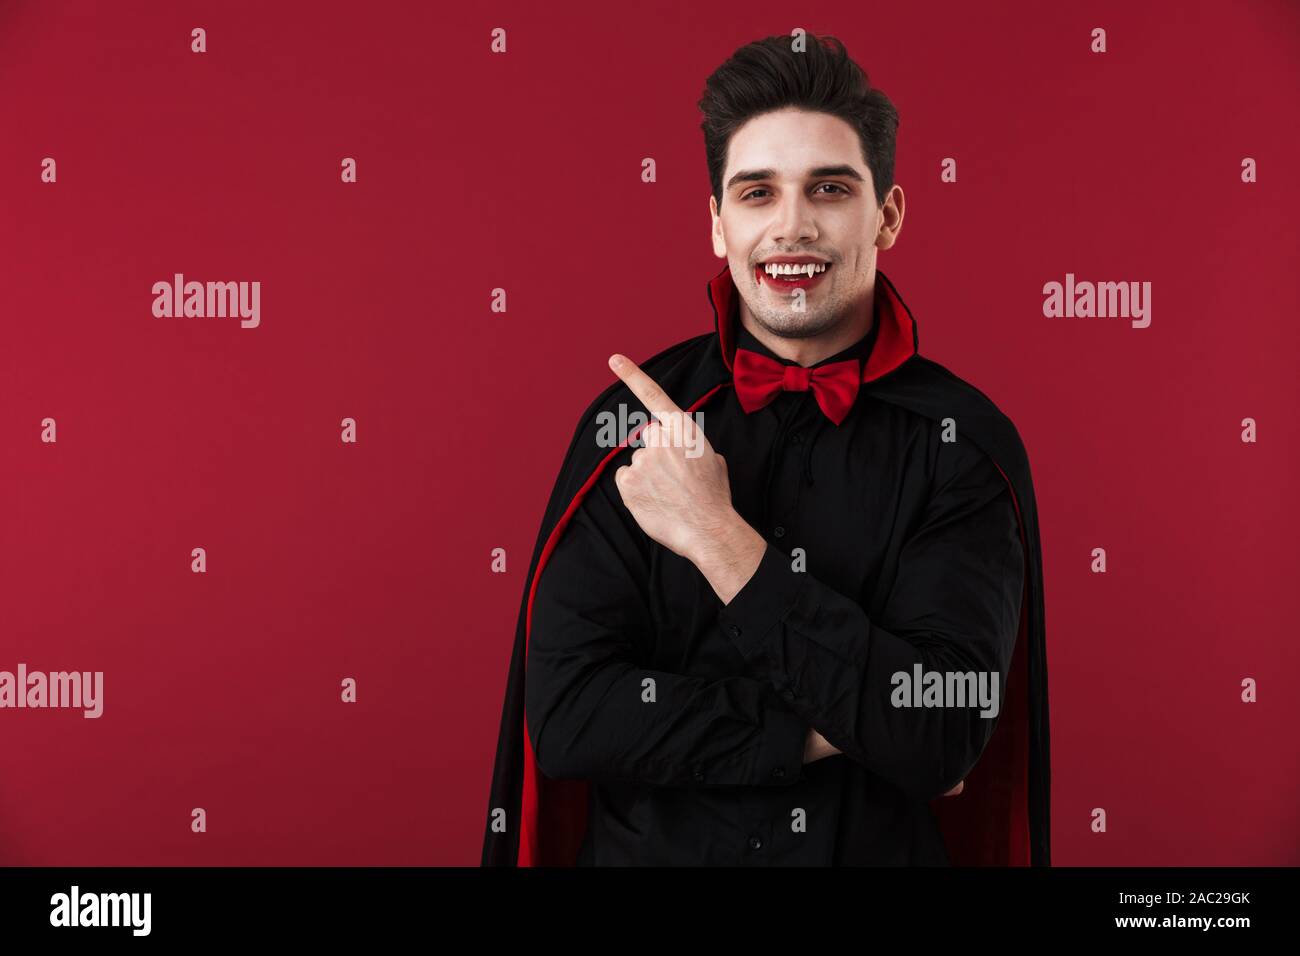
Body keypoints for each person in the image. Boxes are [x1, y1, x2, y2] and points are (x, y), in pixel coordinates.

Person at [482, 33, 1050, 866]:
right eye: (756, 193)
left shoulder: (963, 445)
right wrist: (837, 729)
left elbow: (940, 730)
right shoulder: (630, 424)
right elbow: (569, 720)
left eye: (828, 188)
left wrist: (718, 538)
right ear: (717, 223)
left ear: (886, 214)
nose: (791, 227)